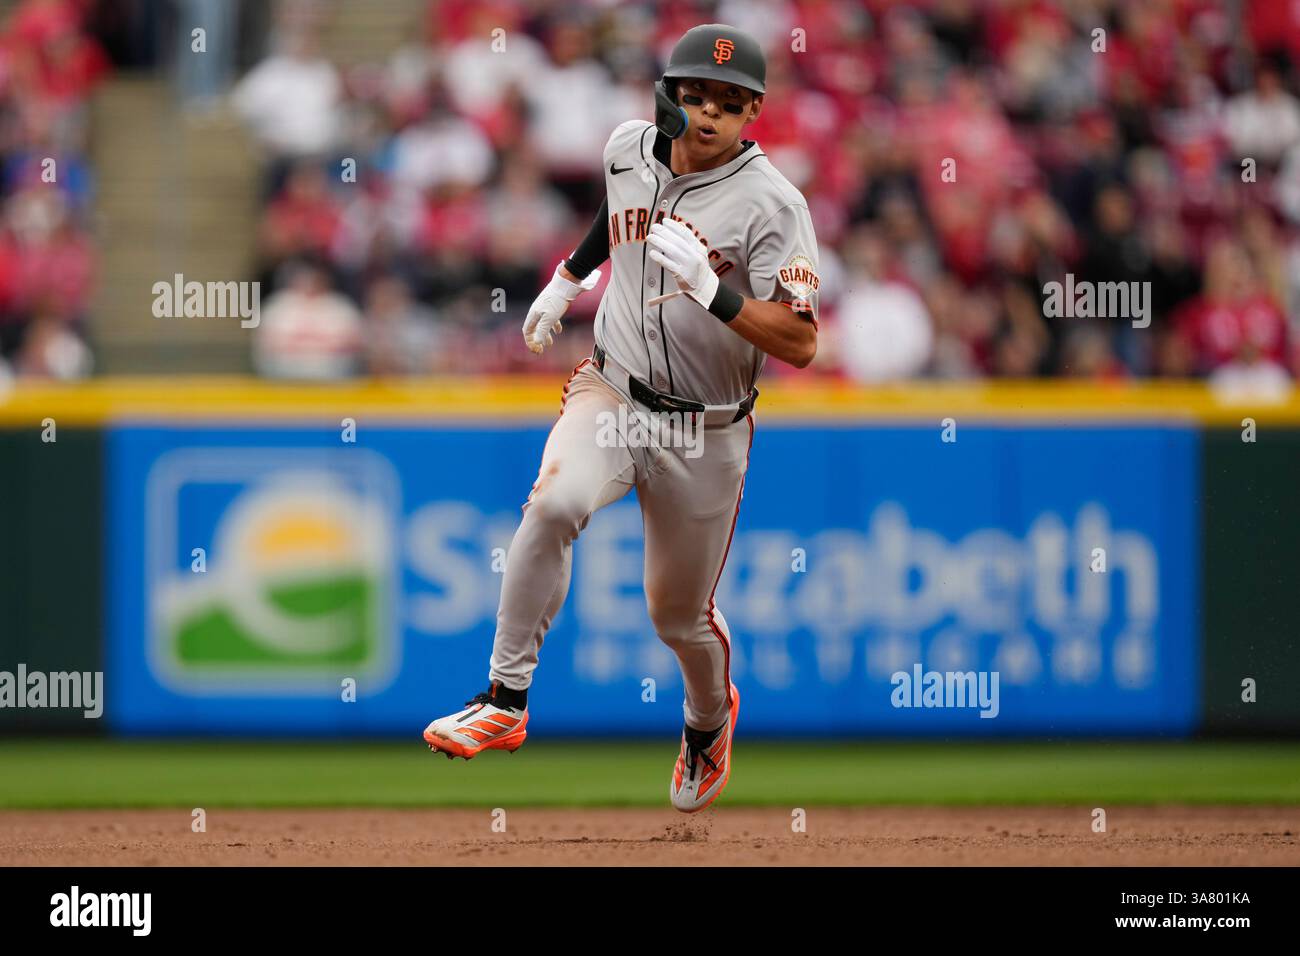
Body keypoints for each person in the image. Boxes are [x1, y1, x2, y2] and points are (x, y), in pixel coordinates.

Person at [422, 24, 820, 814]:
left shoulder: (775, 202)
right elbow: (620, 207)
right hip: (613, 389)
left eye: (730, 103)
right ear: (670, 93)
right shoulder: (629, 145)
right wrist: (567, 278)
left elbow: (802, 339)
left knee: (677, 617)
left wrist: (718, 295)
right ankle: (504, 700)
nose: (709, 113)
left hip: (705, 429)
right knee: (554, 504)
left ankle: (708, 724)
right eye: (697, 95)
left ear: (754, 114)